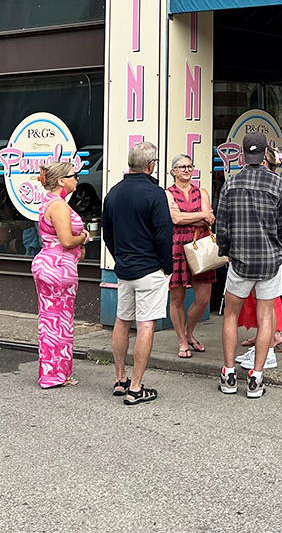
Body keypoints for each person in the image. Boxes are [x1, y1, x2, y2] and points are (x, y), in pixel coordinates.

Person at [215, 131, 282, 398]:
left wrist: (226, 251)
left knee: (230, 316)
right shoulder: (278, 184)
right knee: (265, 317)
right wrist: (281, 250)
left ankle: (228, 374)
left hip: (239, 260)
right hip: (270, 261)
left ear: (243, 155)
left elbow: (221, 226)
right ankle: (256, 377)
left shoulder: (231, 183)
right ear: (264, 153)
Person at [102, 141, 173, 405]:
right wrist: (167, 267)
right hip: (150, 268)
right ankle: (135, 386)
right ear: (151, 165)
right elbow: (164, 235)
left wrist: (119, 256)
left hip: (124, 268)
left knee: (122, 320)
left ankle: (120, 379)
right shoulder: (156, 194)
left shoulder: (114, 192)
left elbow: (107, 231)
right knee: (146, 324)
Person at [31, 161, 90, 389]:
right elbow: (66, 241)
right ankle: (57, 375)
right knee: (61, 322)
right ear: (60, 181)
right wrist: (83, 238)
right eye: (73, 175)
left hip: (48, 263)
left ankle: (51, 373)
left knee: (49, 321)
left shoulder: (48, 203)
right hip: (58, 267)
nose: (77, 179)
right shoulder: (60, 206)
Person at [234, 146, 282, 371]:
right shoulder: (275, 183)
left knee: (267, 306)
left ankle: (270, 347)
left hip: (258, 253)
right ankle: (266, 343)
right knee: (265, 304)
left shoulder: (268, 185)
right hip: (269, 253)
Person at [165, 153, 215, 357]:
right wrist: (200, 215)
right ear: (173, 171)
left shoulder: (202, 192)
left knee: (203, 297)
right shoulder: (167, 194)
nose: (187, 170)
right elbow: (175, 219)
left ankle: (189, 332)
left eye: (189, 166)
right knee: (177, 297)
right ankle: (181, 341)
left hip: (199, 246)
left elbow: (209, 219)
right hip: (177, 246)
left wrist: (197, 217)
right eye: (182, 166)